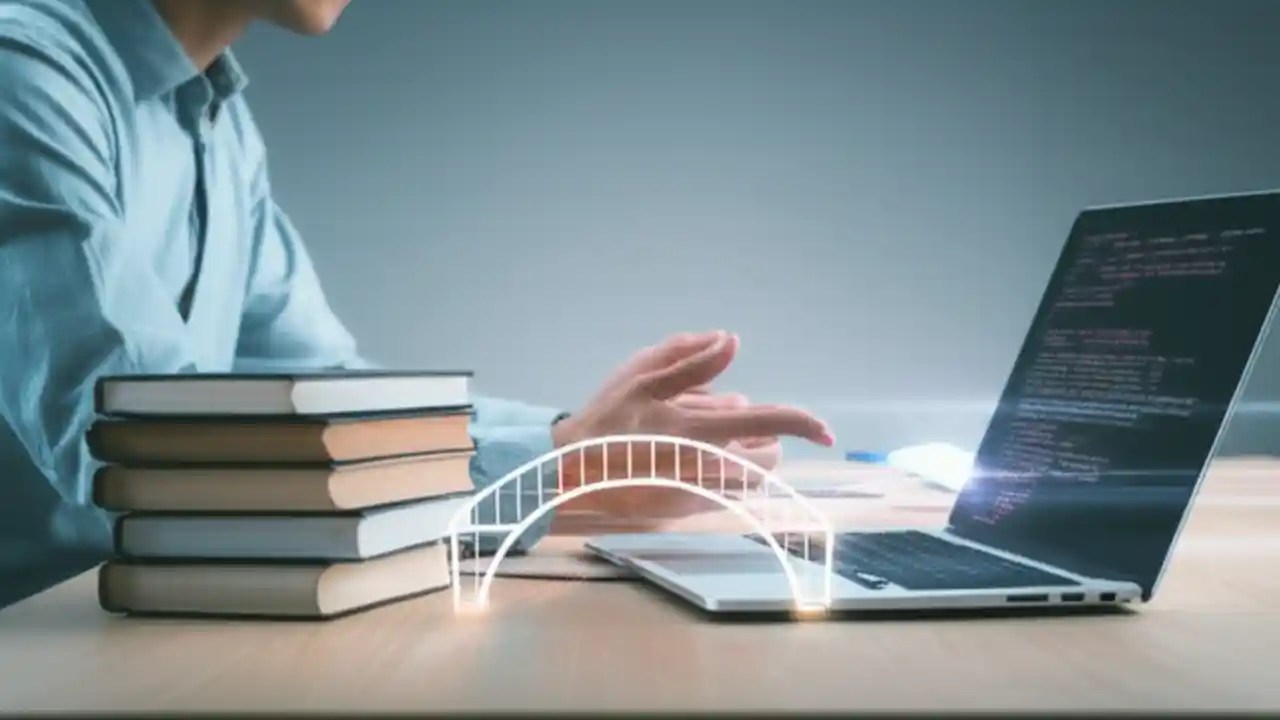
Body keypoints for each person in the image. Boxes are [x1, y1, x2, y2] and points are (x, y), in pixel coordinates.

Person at [0, 0, 833, 608]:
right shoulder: (22, 72)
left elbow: (331, 395)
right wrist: (565, 470)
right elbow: (140, 454)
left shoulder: (219, 124)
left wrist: (589, 438)